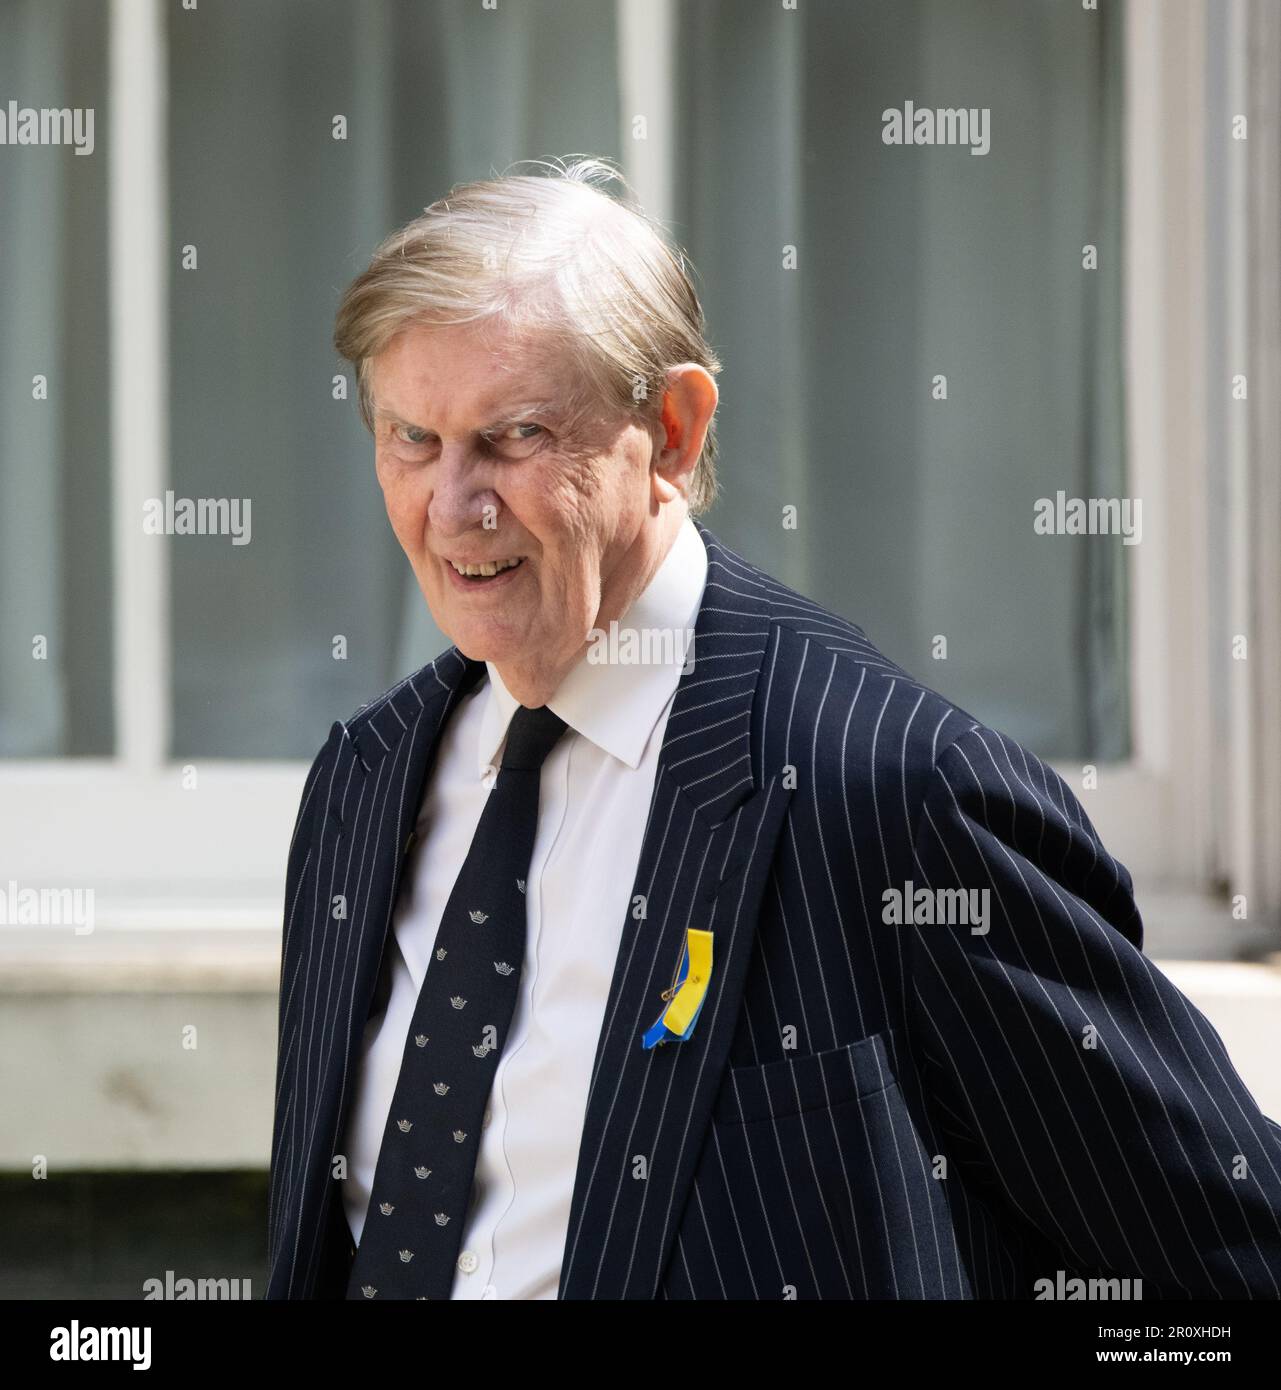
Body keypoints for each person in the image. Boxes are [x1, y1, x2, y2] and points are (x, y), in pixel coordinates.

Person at [266, 158, 1281, 1300]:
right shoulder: (364, 781)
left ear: (676, 430)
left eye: (511, 437)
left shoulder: (896, 790)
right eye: (412, 438)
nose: (453, 506)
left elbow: (1229, 1256)